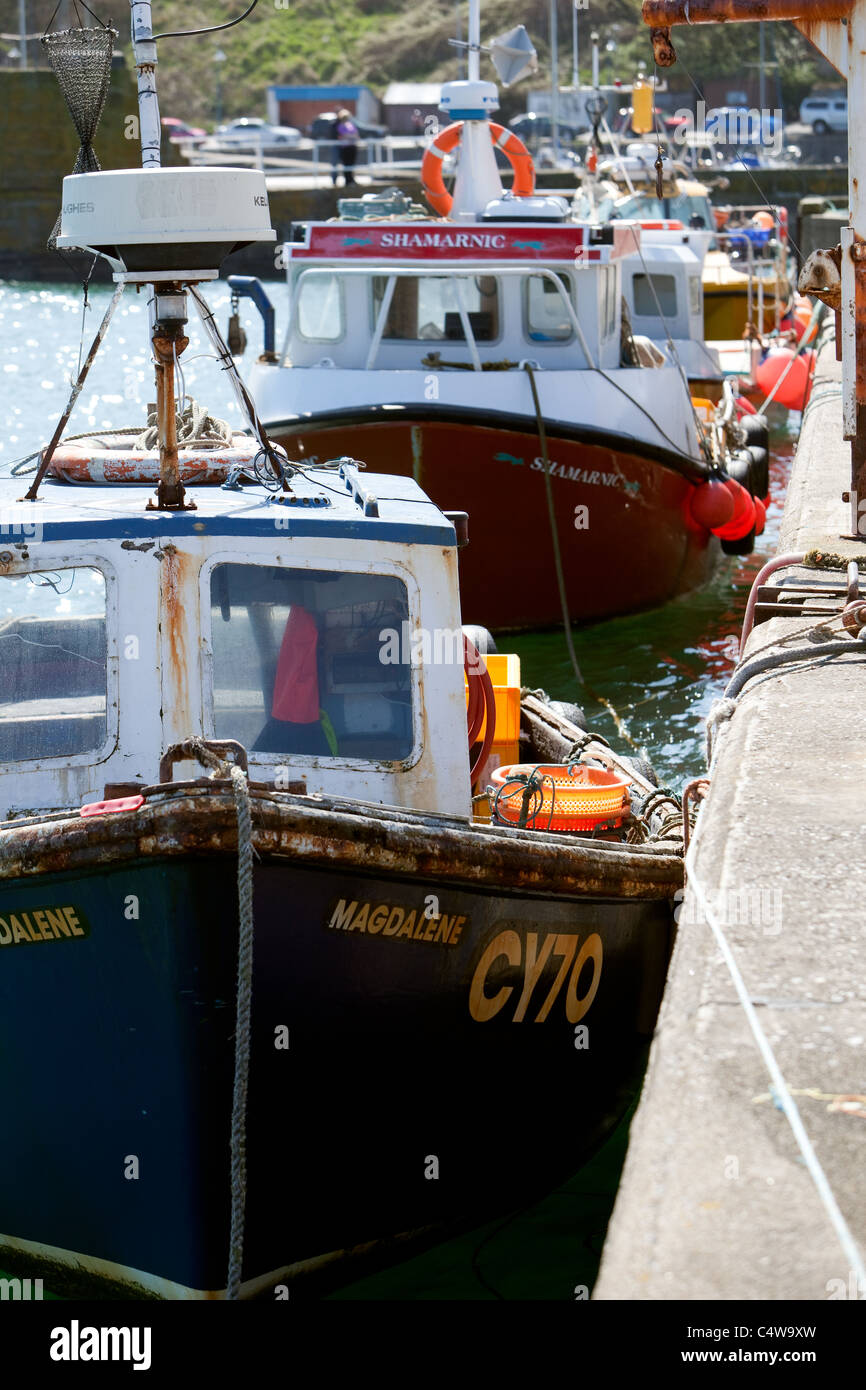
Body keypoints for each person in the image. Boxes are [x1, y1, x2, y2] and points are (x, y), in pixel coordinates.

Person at [335, 108, 359, 187]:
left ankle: (352, 180)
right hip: (345, 148)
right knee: (346, 164)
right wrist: (351, 136)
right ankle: (347, 181)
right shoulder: (340, 126)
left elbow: (356, 135)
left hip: (352, 146)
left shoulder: (351, 125)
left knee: (351, 164)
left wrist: (350, 136)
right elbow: (344, 135)